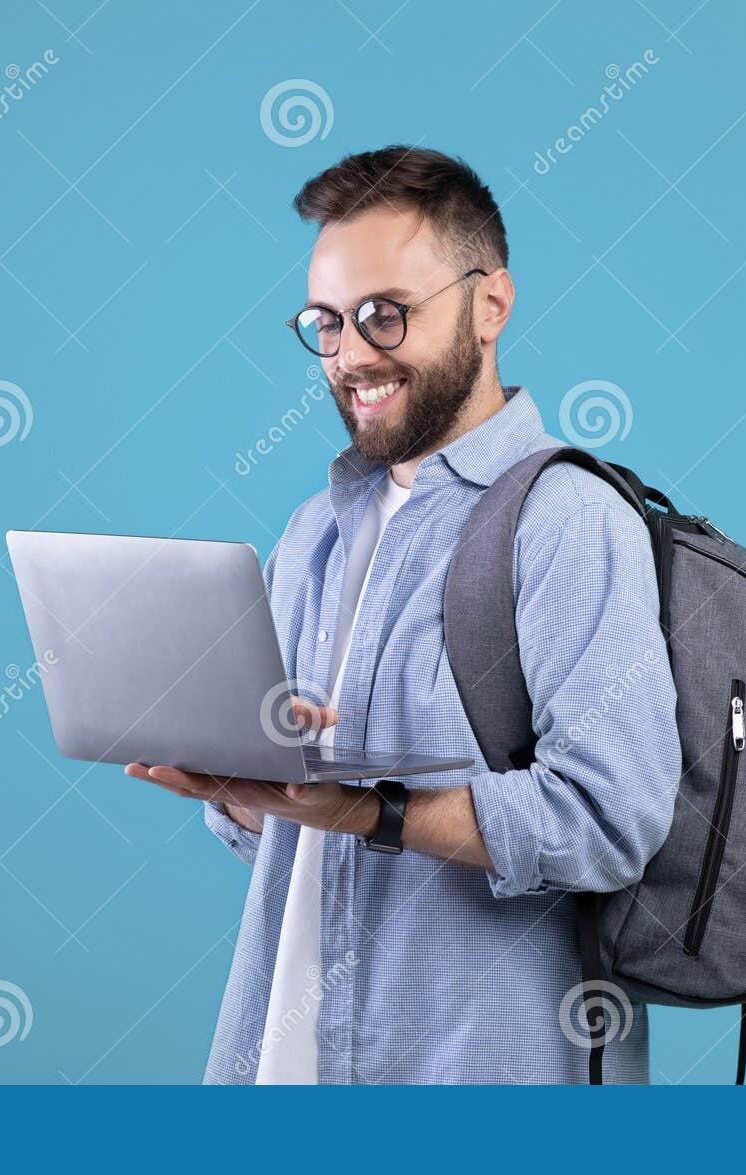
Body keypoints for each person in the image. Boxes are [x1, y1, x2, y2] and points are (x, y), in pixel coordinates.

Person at [125, 146, 680, 1084]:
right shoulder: (314, 531)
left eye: (386, 313)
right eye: (328, 322)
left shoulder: (568, 521)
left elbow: (609, 819)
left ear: (490, 304)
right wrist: (238, 784)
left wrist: (365, 808)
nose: (351, 356)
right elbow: (291, 837)